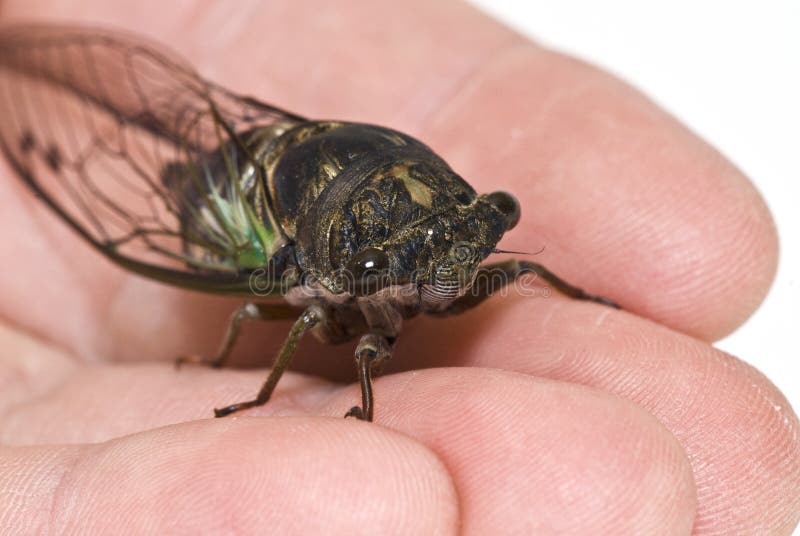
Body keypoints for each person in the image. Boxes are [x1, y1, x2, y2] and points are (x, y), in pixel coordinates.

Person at [0, 1, 797, 533]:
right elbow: (259, 312)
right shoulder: (321, 290)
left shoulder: (459, 248)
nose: (455, 272)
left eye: (479, 228)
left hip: (314, 161)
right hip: (223, 209)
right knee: (255, 307)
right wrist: (254, 389)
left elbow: (506, 266)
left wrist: (574, 289)